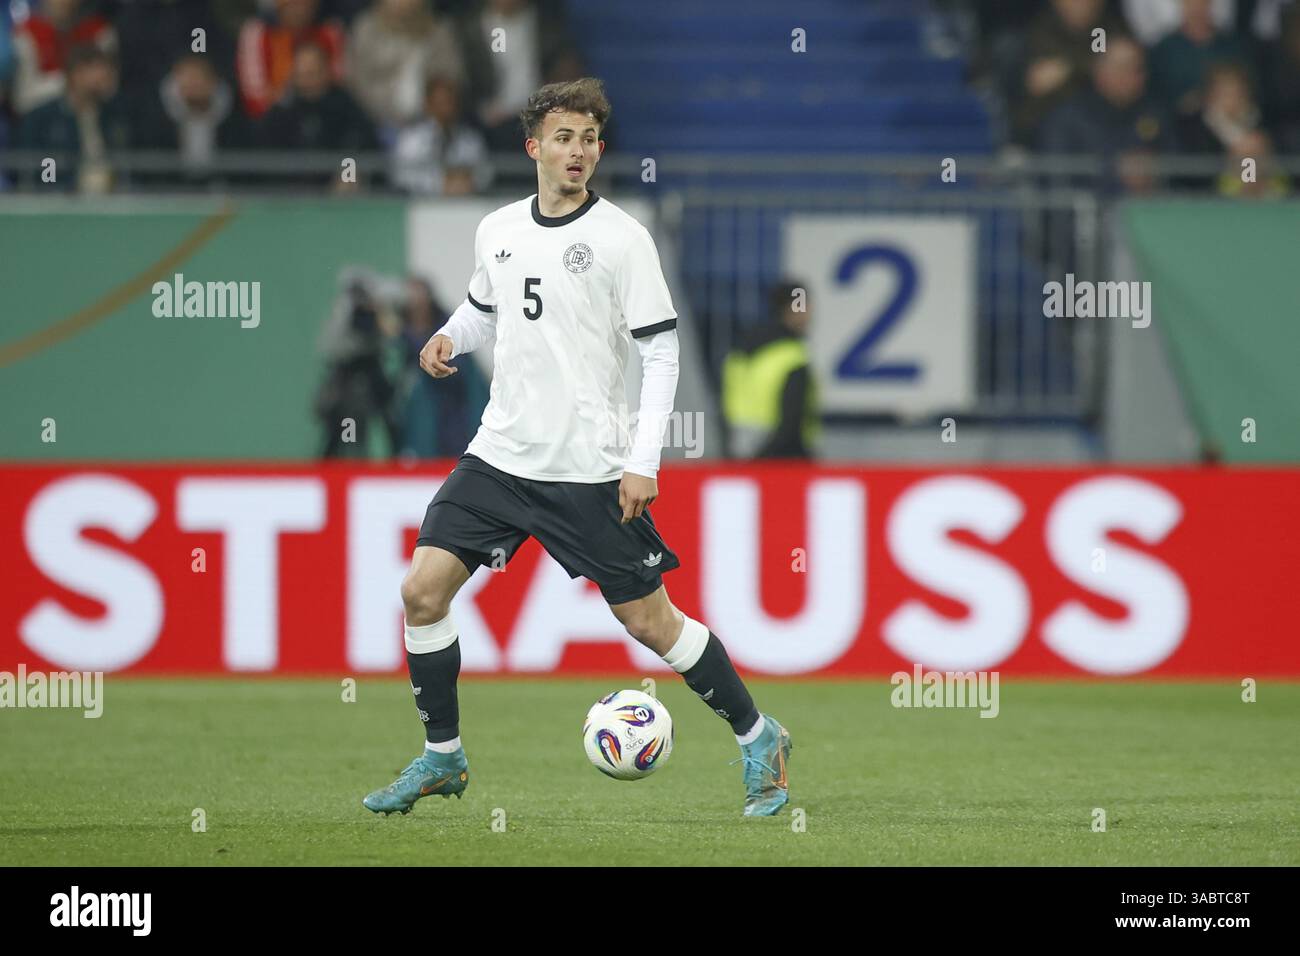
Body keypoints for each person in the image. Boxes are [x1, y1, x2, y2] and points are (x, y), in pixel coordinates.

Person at [361, 77, 792, 819]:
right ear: (533, 147)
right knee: (421, 592)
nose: (579, 151)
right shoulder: (497, 227)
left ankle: (760, 736)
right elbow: (484, 305)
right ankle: (443, 758)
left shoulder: (623, 239)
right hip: (498, 456)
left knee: (651, 623)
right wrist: (448, 337)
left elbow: (661, 354)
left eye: (590, 139)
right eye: (564, 137)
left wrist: (642, 460)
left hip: (586, 467)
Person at [722, 281, 819, 460]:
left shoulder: (739, 351)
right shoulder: (792, 356)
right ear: (793, 309)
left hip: (739, 450)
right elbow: (792, 423)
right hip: (781, 458)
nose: (810, 313)